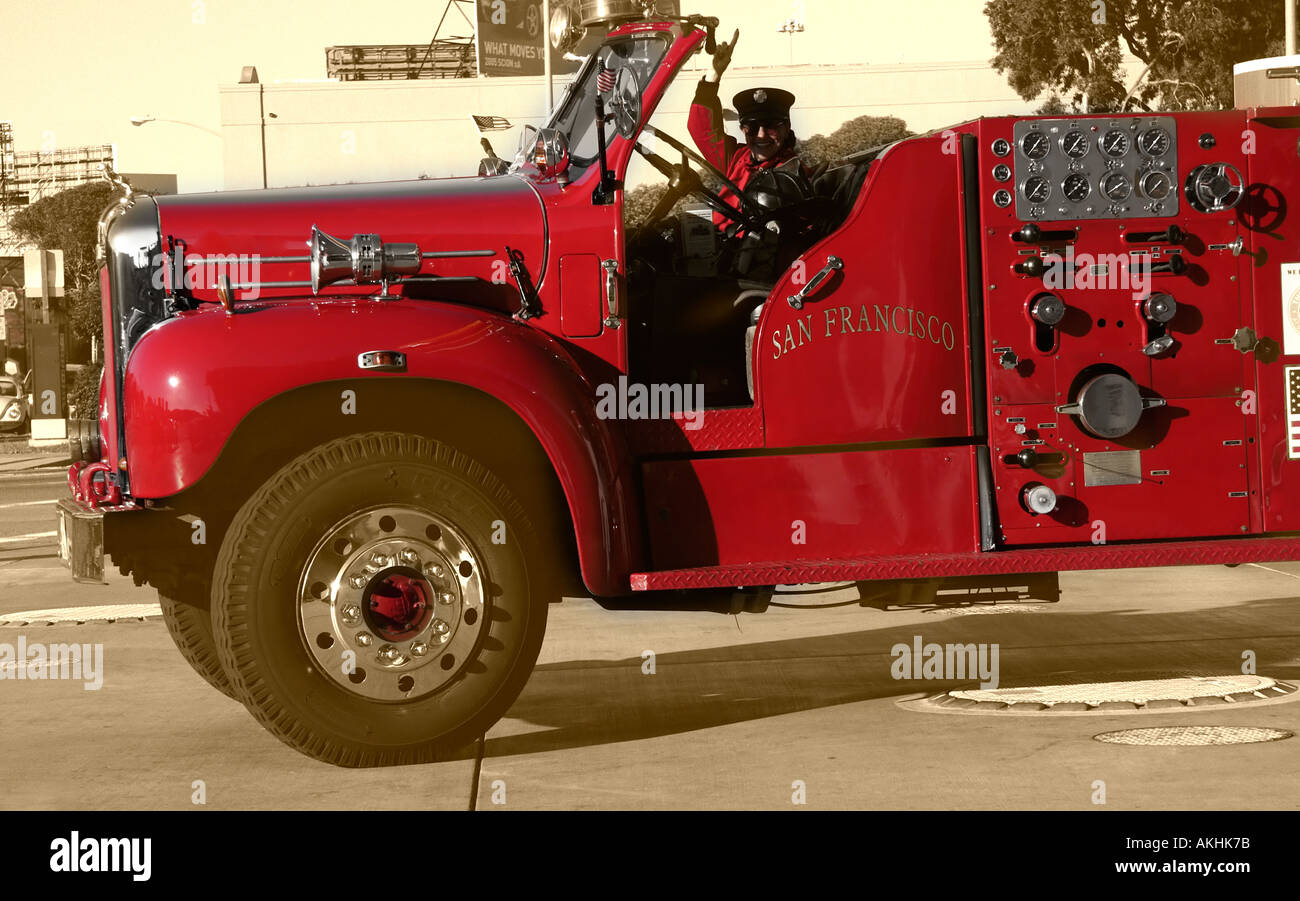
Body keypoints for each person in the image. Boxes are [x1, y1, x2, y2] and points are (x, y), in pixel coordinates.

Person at [687, 29, 811, 230]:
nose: (761, 135)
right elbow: (701, 129)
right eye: (752, 127)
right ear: (743, 129)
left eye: (770, 126)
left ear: (787, 127)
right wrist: (714, 74)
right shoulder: (737, 159)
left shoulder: (796, 176)